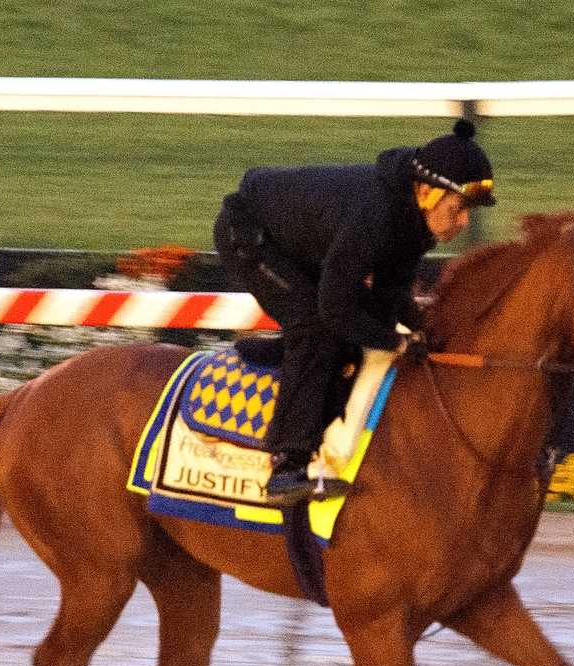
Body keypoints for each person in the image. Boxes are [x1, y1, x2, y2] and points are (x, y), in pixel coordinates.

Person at [212, 118, 496, 506]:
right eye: (459, 208)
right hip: (248, 235)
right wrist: (393, 340)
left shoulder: (413, 222)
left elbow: (389, 294)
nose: (463, 222)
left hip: (300, 244)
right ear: (427, 192)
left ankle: (287, 357)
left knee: (346, 328)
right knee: (315, 326)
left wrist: (422, 331)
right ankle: (285, 467)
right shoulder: (376, 216)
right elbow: (334, 306)